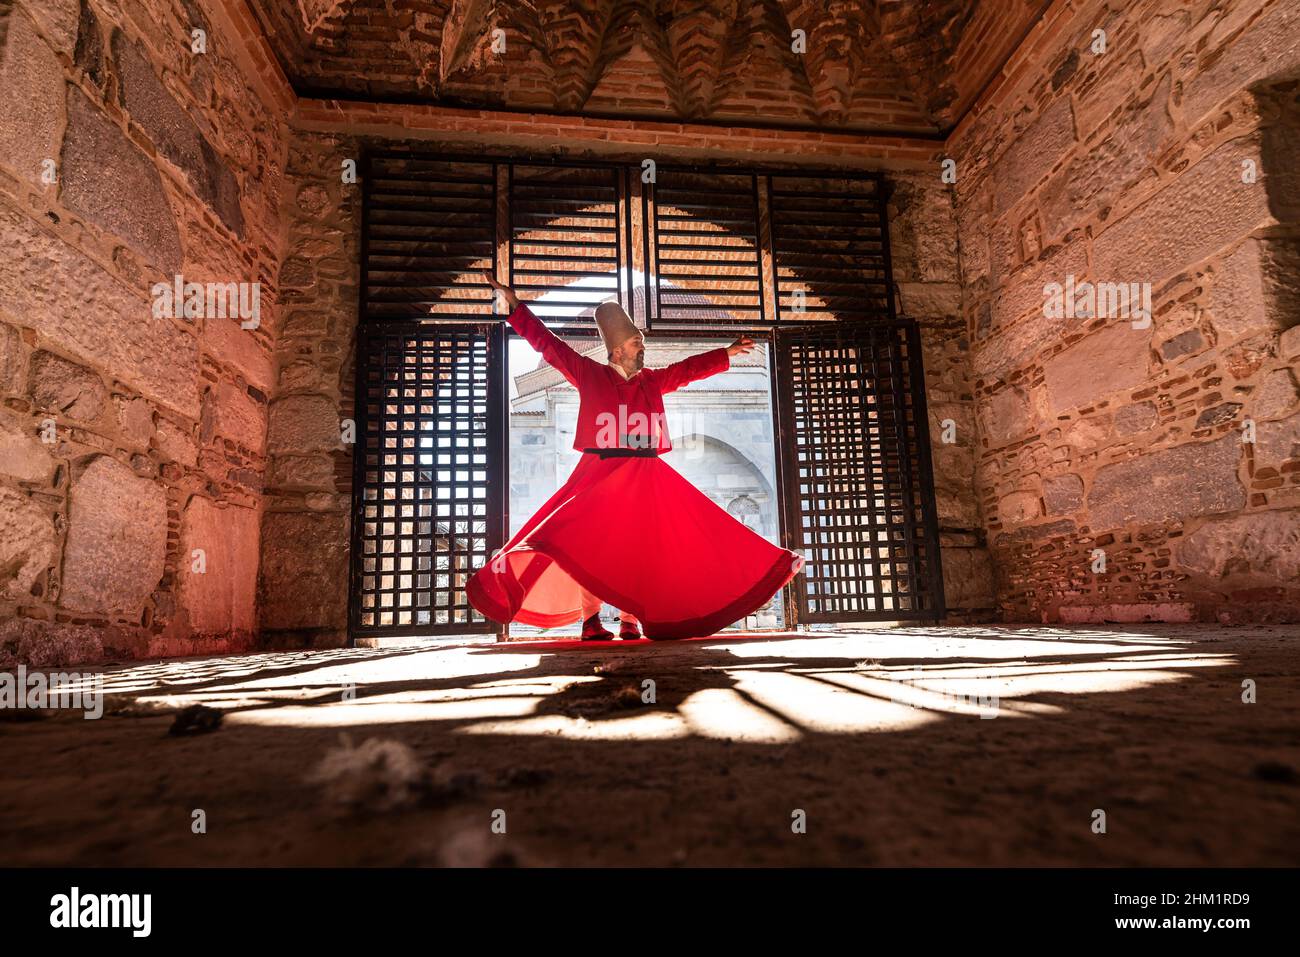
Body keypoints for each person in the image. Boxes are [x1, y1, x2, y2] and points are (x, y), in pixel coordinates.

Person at [465, 272, 804, 641]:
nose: (642, 348)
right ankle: (591, 621)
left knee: (639, 550)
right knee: (588, 549)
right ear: (617, 351)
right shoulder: (589, 374)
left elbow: (687, 370)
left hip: (644, 478)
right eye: (636, 343)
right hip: (600, 475)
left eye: (641, 342)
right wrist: (515, 306)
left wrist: (725, 353)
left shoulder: (653, 382)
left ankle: (630, 619)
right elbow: (550, 346)